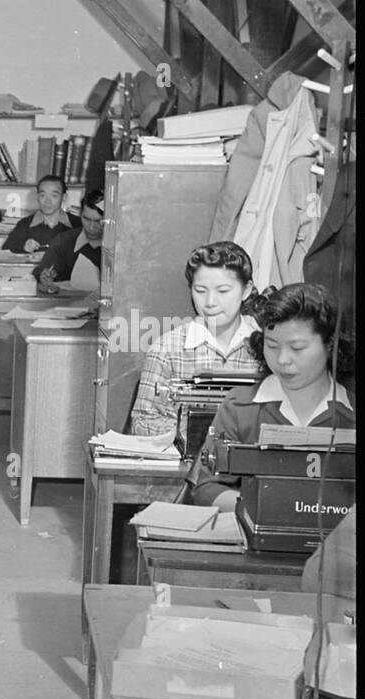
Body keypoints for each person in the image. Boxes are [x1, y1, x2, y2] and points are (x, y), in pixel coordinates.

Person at [192, 283, 354, 509]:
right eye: (272, 345)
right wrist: (266, 507)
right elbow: (207, 488)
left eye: (297, 348)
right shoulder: (240, 406)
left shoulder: (351, 413)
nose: (282, 360)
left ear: (331, 346)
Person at [129, 240, 263, 436]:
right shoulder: (167, 348)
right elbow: (141, 422)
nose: (209, 302)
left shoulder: (266, 345)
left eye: (223, 291)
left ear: (246, 290)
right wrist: (191, 432)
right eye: (200, 291)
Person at [36, 189, 104, 293]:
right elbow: (40, 273)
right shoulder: (63, 241)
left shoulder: (119, 246)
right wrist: (44, 277)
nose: (91, 227)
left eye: (98, 221)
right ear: (80, 215)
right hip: (67, 304)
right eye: (86, 219)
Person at [1, 174, 79, 254]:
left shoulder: (77, 224)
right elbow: (6, 250)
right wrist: (23, 247)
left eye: (54, 196)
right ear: (37, 197)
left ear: (64, 197)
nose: (47, 201)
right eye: (43, 195)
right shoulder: (25, 224)